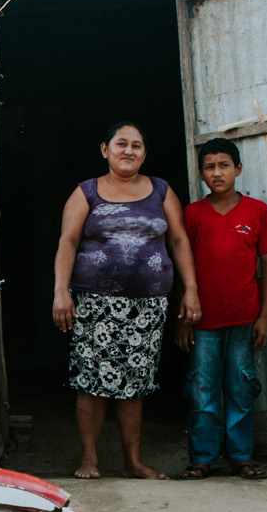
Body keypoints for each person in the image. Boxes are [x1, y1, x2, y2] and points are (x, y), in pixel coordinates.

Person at [53, 122, 199, 480]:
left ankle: (133, 462)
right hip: (93, 303)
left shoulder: (161, 191)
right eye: (121, 144)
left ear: (144, 154)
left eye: (136, 146)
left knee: (135, 383)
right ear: (105, 149)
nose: (128, 151)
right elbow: (68, 242)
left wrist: (191, 288)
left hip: (148, 305)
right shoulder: (86, 192)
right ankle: (90, 458)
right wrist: (61, 290)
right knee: (91, 382)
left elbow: (179, 241)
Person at [174, 137, 267, 480]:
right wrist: (183, 320)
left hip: (244, 319)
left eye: (223, 165)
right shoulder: (193, 214)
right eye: (209, 166)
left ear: (238, 169)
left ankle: (241, 456)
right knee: (202, 391)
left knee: (241, 388)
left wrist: (264, 316)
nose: (216, 172)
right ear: (202, 174)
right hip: (202, 321)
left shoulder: (257, 211)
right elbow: (182, 266)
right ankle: (202, 458)